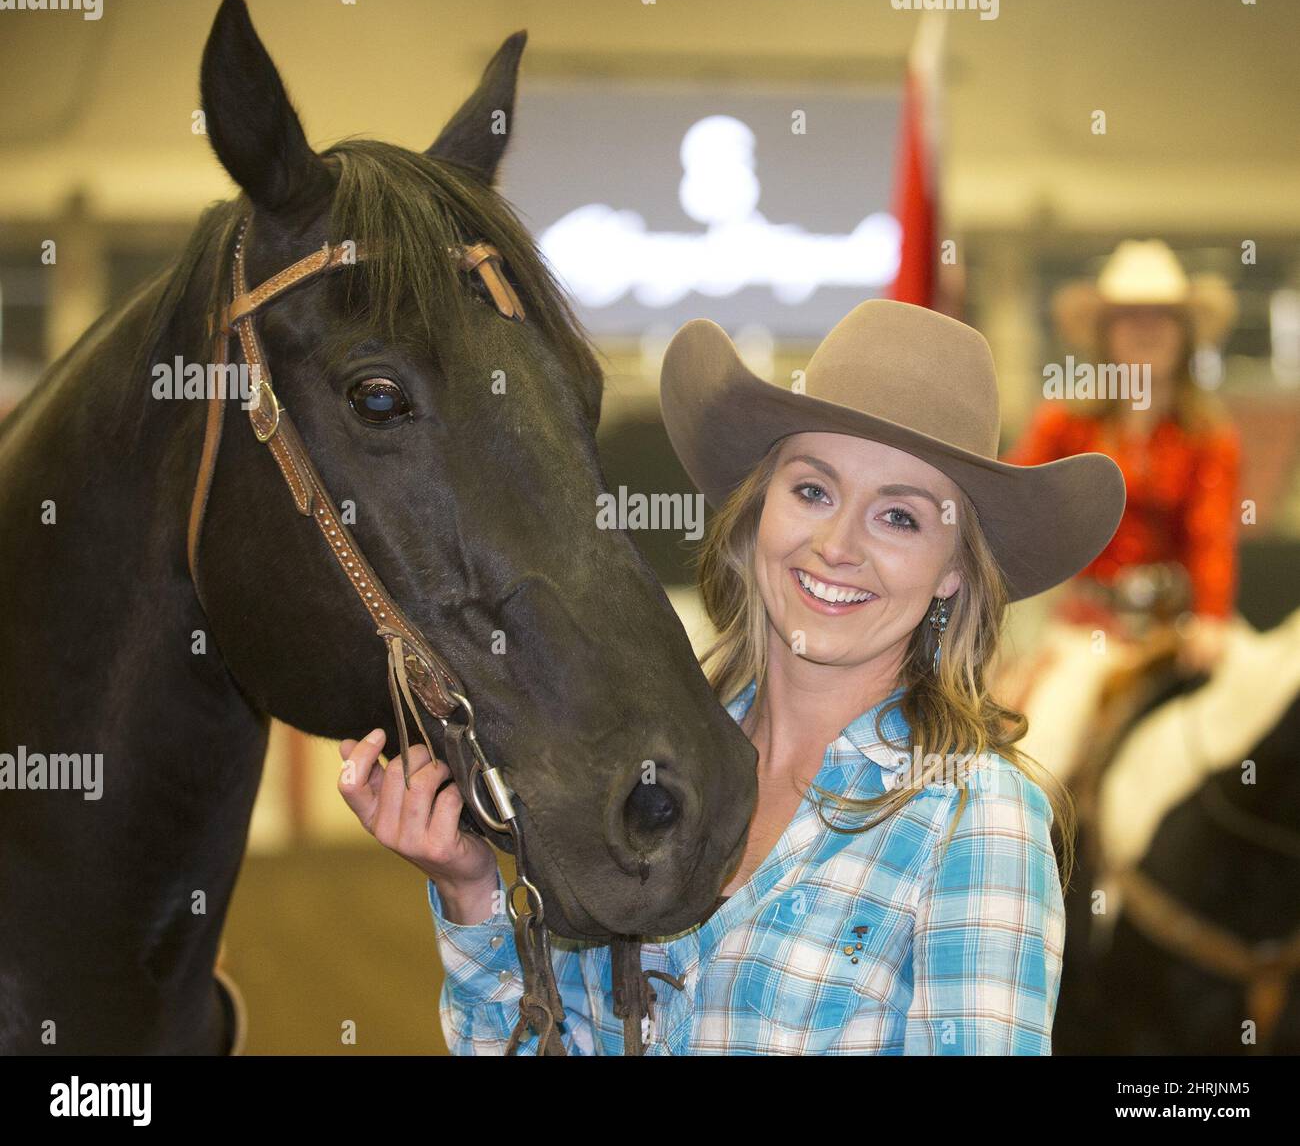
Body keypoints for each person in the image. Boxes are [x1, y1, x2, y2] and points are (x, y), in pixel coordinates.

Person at [337, 299, 1125, 1055]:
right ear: (756, 514)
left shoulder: (976, 818)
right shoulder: (648, 771)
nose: (838, 545)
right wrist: (472, 893)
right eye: (813, 490)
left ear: (952, 572)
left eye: (900, 517)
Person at [1005, 239, 1241, 676]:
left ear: (1184, 334)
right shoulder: (1061, 425)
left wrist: (1210, 618)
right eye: (1128, 317)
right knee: (1051, 719)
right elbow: (1013, 510)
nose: (1145, 328)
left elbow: (1211, 538)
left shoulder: (1210, 438)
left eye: (1161, 316)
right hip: (1082, 632)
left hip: (1177, 632)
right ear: (1105, 334)